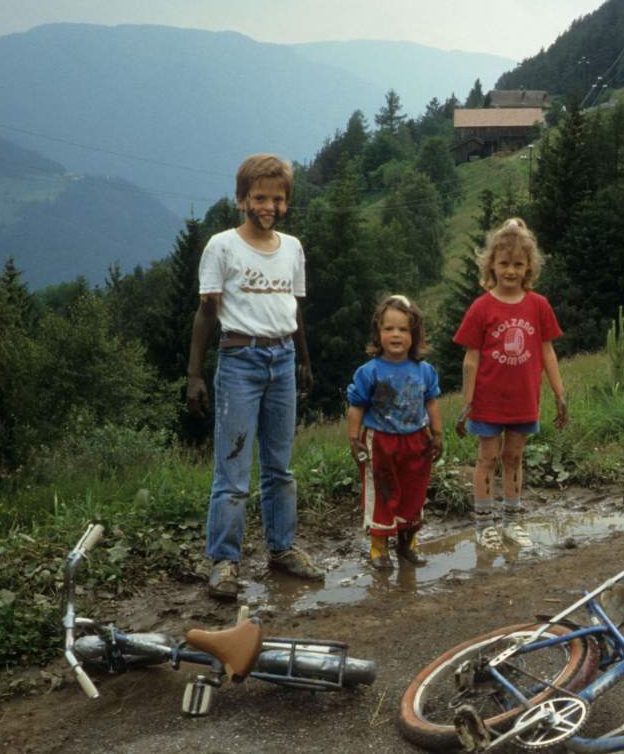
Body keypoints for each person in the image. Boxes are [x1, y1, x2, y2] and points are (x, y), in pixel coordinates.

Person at [187, 154, 324, 601]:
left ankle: (282, 548)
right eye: (260, 198)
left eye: (277, 199)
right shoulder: (222, 247)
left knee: (280, 467)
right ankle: (223, 560)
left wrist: (304, 361)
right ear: (241, 199)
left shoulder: (292, 248)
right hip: (239, 360)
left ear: (287, 203)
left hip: (282, 359)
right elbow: (206, 312)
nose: (269, 207)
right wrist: (194, 375)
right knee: (233, 469)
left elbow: (295, 309)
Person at [453, 218, 568, 552]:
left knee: (514, 457)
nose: (511, 271)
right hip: (487, 401)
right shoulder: (481, 307)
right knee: (487, 458)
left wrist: (560, 394)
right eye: (504, 263)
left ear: (529, 266)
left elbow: (548, 352)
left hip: (524, 400)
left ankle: (513, 522)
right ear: (491, 264)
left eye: (518, 264)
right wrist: (467, 402)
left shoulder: (539, 305)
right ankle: (483, 526)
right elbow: (470, 359)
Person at [345, 295, 444, 570]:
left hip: (417, 440)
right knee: (382, 493)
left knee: (414, 492)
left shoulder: (424, 370)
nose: (396, 335)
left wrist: (437, 434)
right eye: (389, 328)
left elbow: (431, 403)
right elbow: (356, 407)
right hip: (380, 442)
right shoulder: (369, 372)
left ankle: (407, 544)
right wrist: (353, 438)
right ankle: (379, 549)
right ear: (378, 333)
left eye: (403, 329)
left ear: (415, 334)